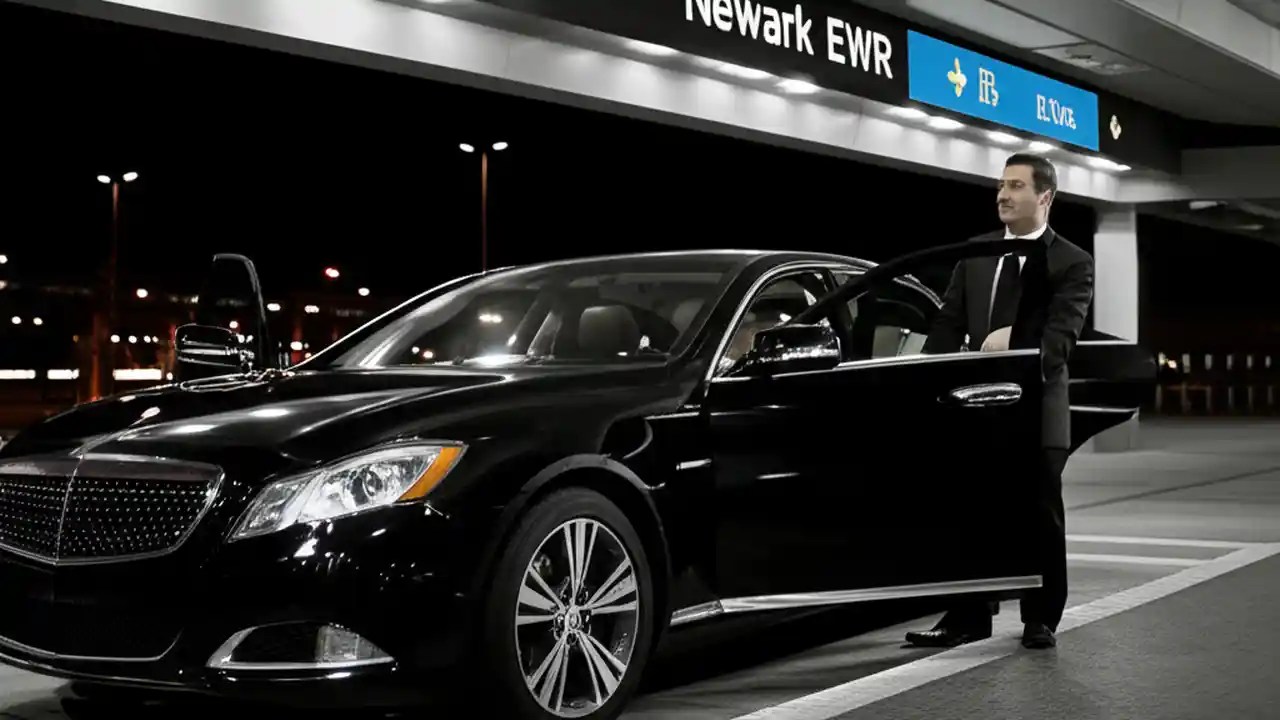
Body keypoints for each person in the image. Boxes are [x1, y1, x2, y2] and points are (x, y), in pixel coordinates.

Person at [904, 152, 1094, 650]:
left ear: (1044, 196)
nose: (1002, 196)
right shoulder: (977, 252)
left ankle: (1041, 618)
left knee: (1039, 516)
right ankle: (968, 615)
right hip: (972, 412)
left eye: (1015, 186)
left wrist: (1014, 343)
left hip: (1035, 412)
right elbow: (948, 322)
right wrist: (928, 375)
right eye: (1000, 187)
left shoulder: (1071, 261)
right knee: (967, 514)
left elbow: (1060, 341)